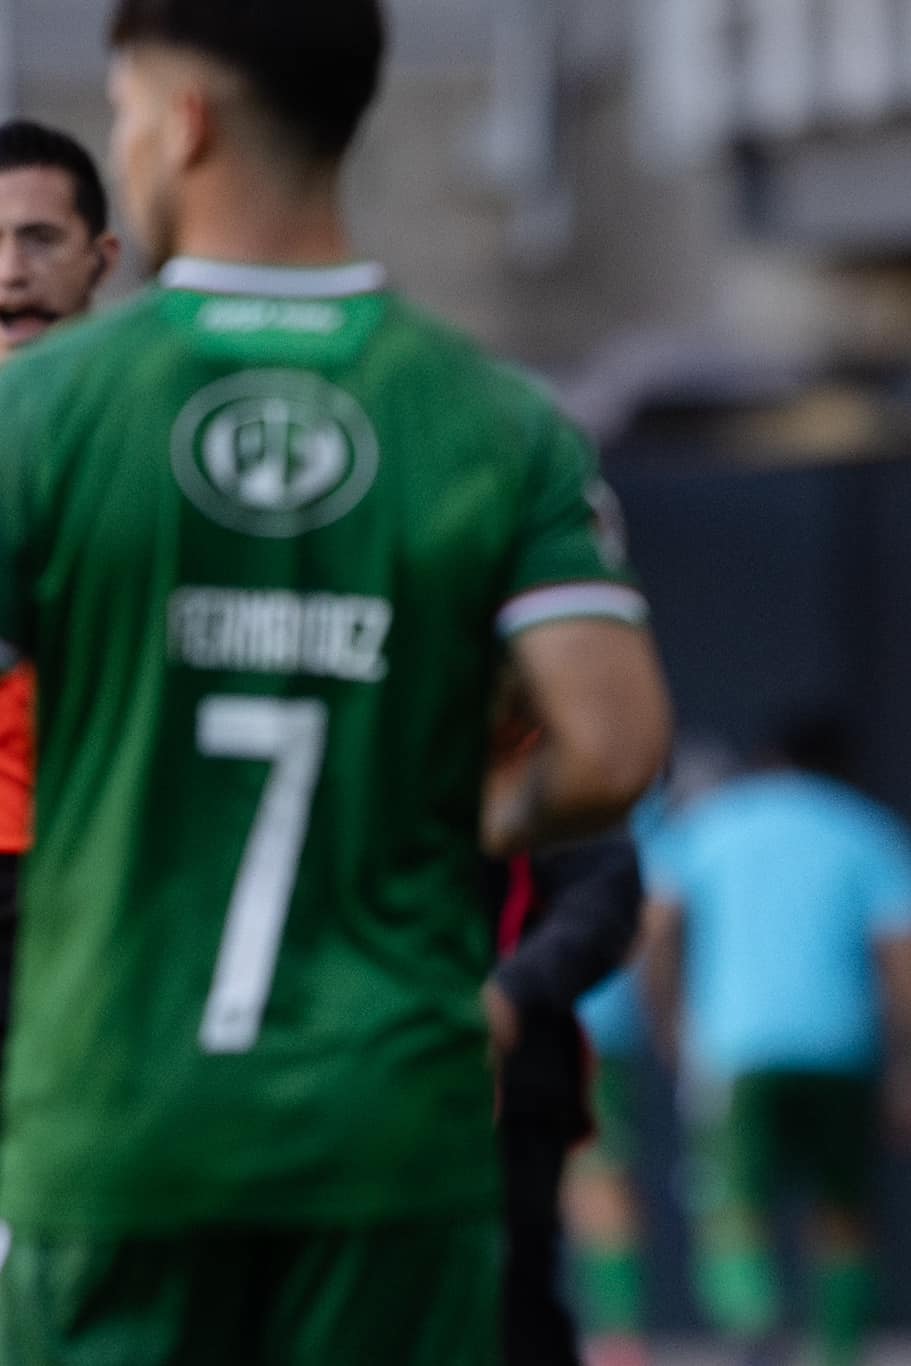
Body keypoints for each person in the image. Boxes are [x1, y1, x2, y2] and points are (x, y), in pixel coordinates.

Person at [0, 2, 673, 1361]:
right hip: (384, 1115)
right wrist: (431, 810)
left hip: (122, 1107)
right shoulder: (495, 421)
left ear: (182, 122)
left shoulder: (49, 412)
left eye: (125, 114)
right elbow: (612, 745)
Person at [639, 717, 911, 1366]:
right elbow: (909, 955)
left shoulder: (712, 825)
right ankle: (836, 1351)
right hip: (842, 1048)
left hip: (735, 1049)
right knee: (842, 1209)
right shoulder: (870, 831)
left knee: (732, 1202)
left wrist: (667, 1020)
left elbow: (656, 928)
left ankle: (753, 1322)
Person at [0, 118, 121, 1076]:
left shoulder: (166, 443)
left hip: (104, 875)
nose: (9, 271)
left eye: (39, 239)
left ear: (101, 259)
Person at [486, 831, 644, 1366]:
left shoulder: (573, 804)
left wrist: (516, 989)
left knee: (586, 1187)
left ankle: (619, 1337)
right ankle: (620, 1336)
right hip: (562, 1035)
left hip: (556, 1044)